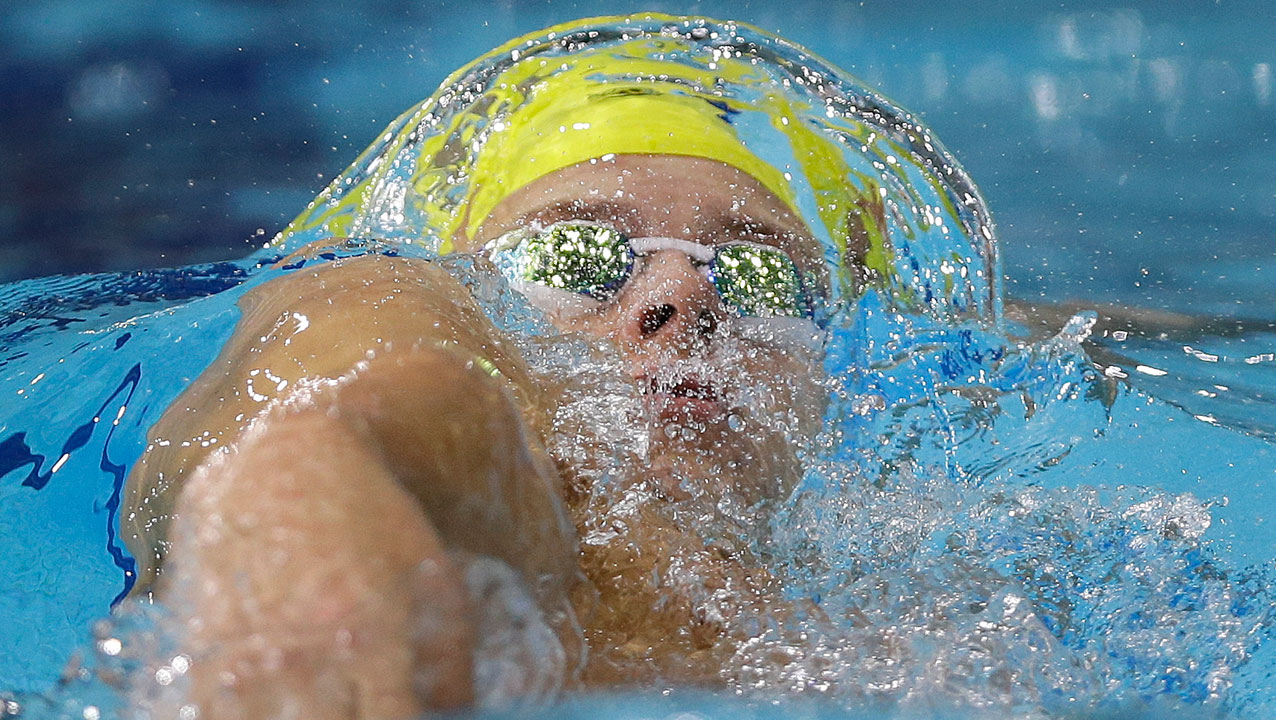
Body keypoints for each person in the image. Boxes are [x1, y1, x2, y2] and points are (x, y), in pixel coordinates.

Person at [119, 15, 992, 720]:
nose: (686, 300)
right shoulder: (501, 509)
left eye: (764, 278)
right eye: (572, 257)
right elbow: (372, 363)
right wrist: (309, 482)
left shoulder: (940, 612)